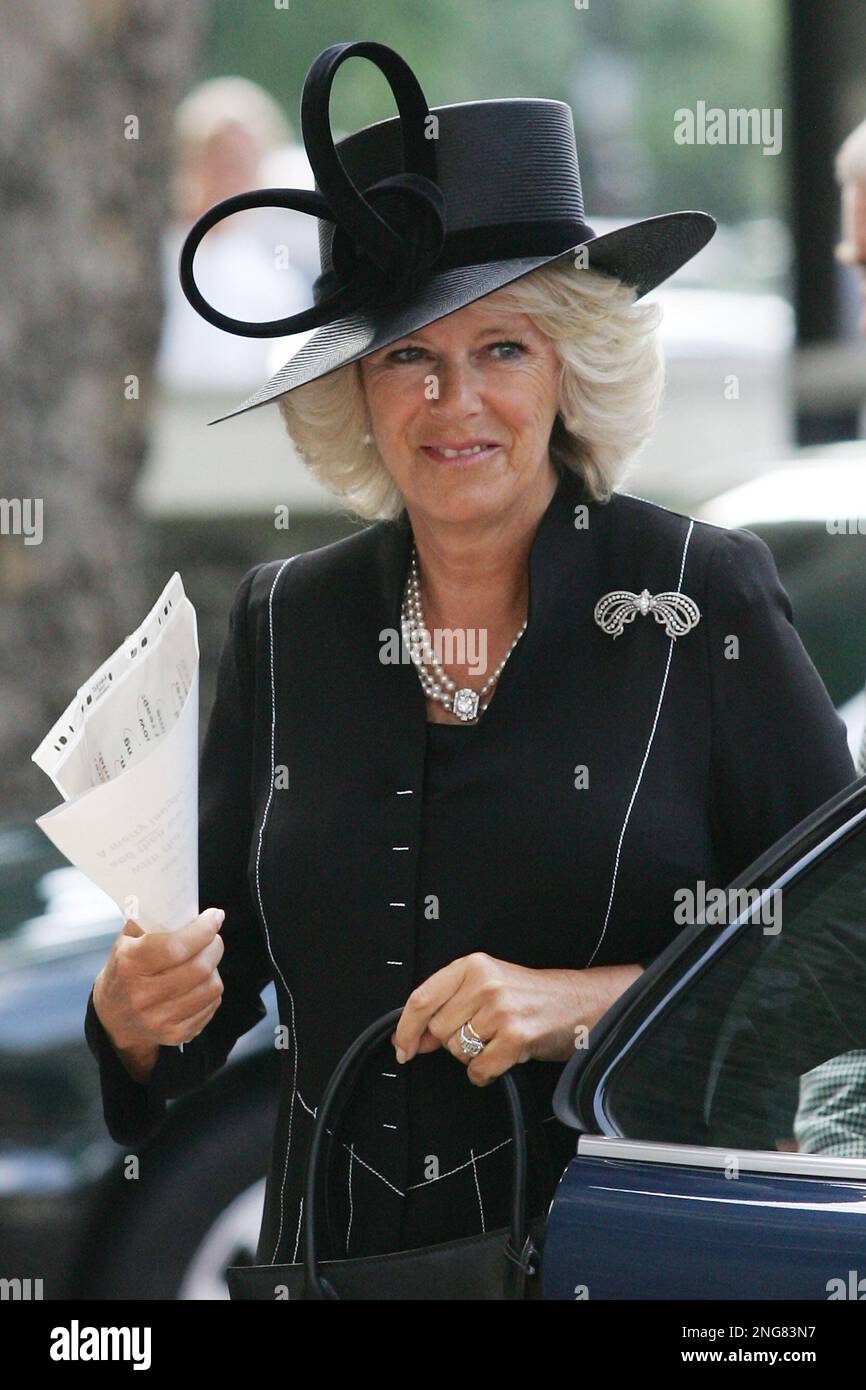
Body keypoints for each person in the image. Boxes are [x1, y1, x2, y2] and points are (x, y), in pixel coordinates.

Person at [85, 40, 856, 1272]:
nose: (454, 404)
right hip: (332, 1271)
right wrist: (131, 1019)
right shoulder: (286, 621)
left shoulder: (694, 594)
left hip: (629, 1265)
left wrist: (590, 1005)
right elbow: (205, 999)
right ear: (358, 390)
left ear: (568, 369)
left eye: (502, 348)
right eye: (408, 356)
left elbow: (840, 954)